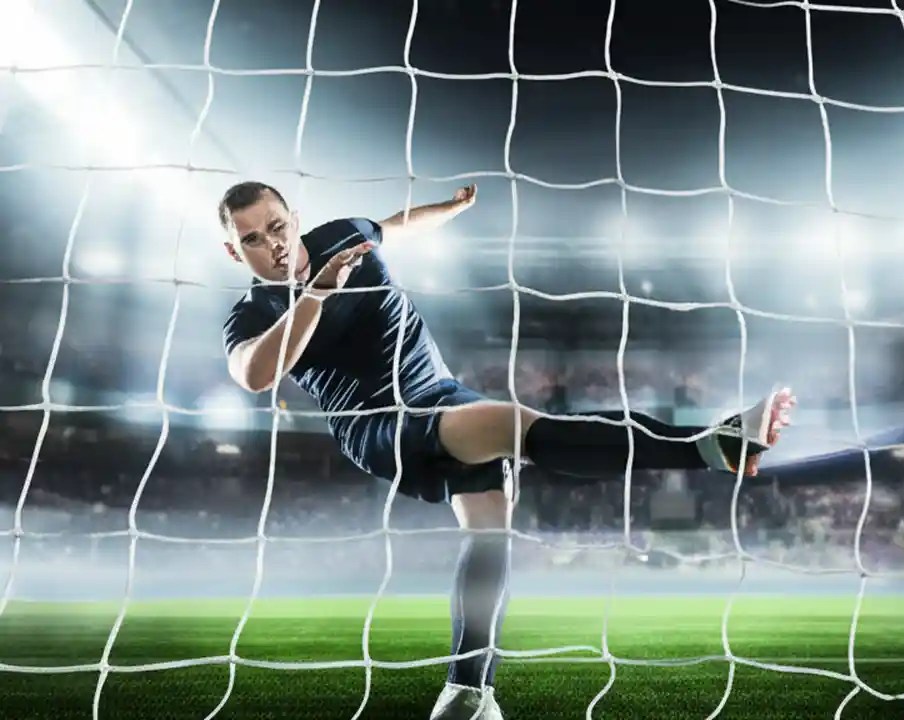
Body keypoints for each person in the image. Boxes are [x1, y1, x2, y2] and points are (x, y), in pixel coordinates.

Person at [217, 181, 796, 719]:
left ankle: (469, 692)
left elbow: (396, 225)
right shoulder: (252, 313)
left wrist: (452, 209)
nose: (271, 244)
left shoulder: (344, 235)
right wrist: (316, 295)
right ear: (232, 251)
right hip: (380, 424)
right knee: (517, 425)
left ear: (296, 219)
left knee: (491, 532)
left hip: (439, 393)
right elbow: (255, 374)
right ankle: (707, 448)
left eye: (276, 226)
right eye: (251, 239)